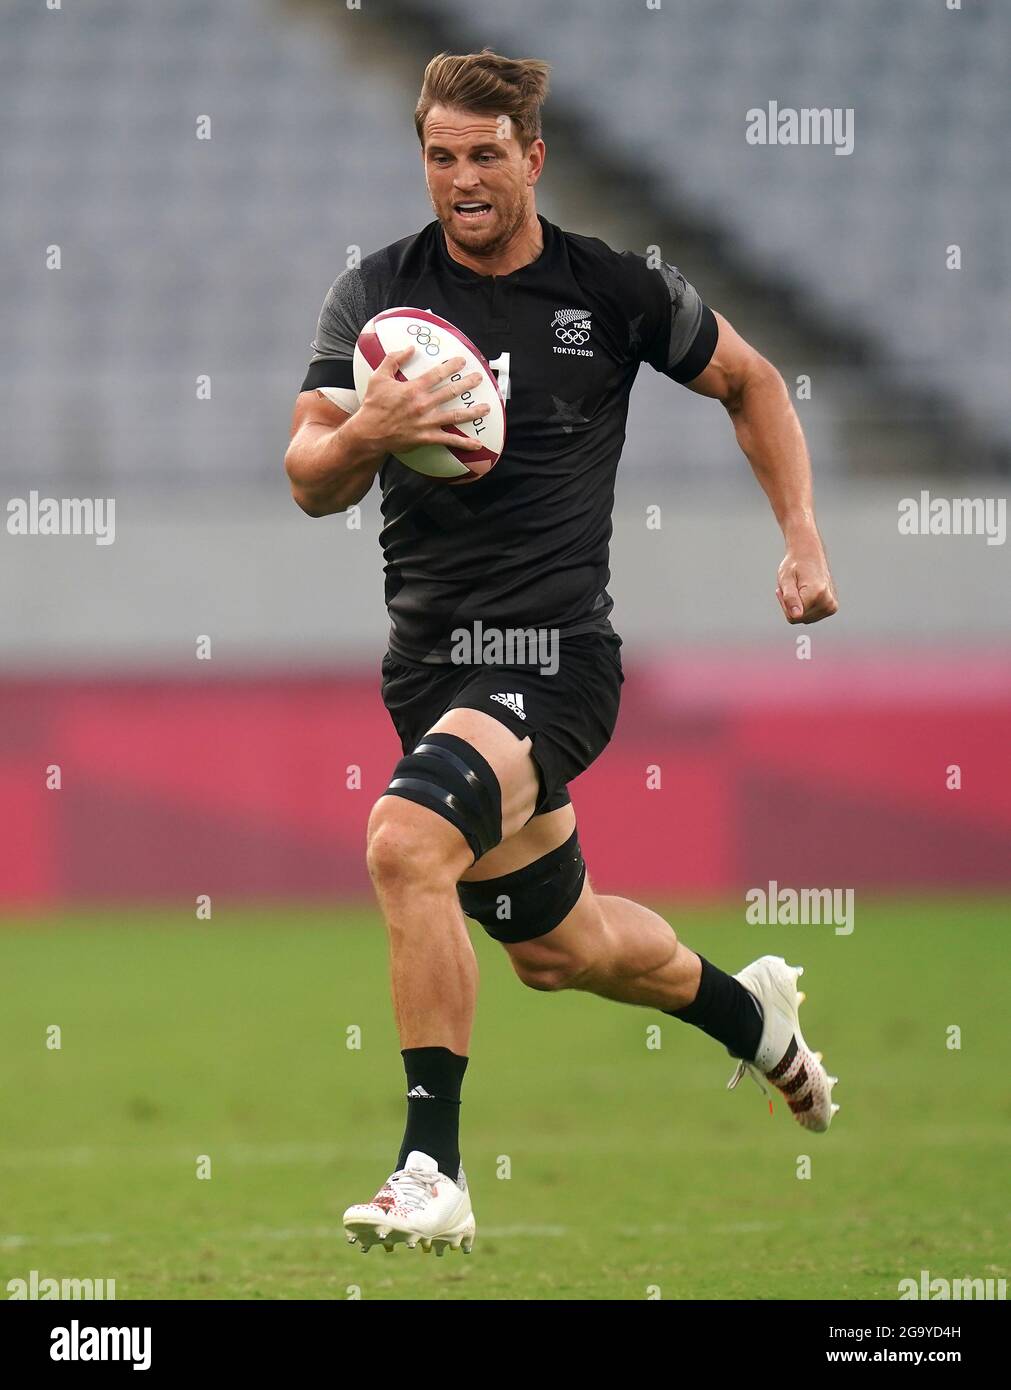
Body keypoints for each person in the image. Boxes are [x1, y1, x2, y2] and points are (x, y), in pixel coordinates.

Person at [285, 49, 840, 1257]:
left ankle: (431, 1166)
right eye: (441, 156)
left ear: (534, 157)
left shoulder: (615, 290)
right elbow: (308, 479)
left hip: (555, 657)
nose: (463, 180)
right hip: (429, 665)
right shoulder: (379, 300)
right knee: (558, 945)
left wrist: (800, 539)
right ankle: (761, 1019)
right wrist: (371, 428)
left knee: (403, 840)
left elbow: (751, 382)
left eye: (486, 156)